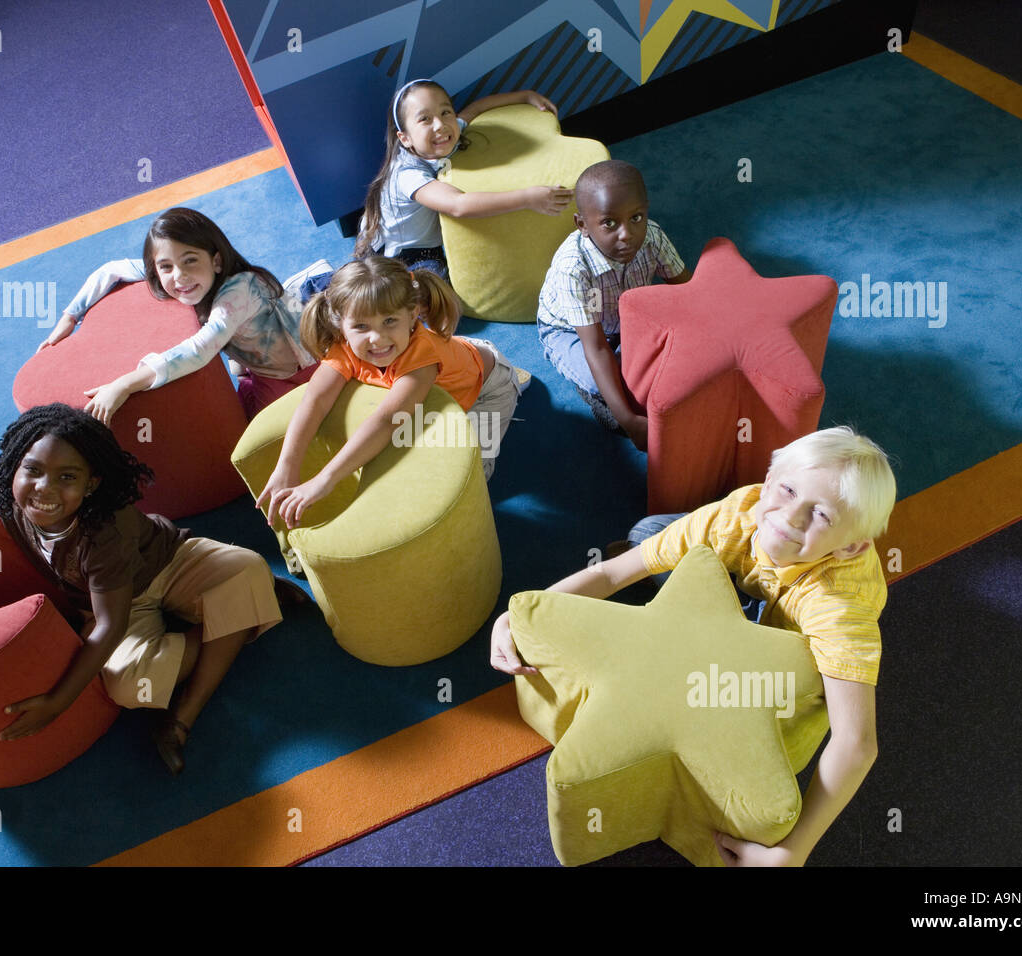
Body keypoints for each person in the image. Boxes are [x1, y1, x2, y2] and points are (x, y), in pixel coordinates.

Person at [490, 426, 896, 866]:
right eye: (787, 489)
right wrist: (524, 616)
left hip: (795, 627)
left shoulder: (839, 608)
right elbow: (612, 573)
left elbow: (856, 744)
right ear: (770, 474)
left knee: (795, 671)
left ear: (852, 546)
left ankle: (754, 619)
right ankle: (742, 586)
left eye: (822, 516)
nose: (790, 518)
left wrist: (794, 851)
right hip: (741, 566)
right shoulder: (739, 515)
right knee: (647, 532)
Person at [0, 403, 301, 775]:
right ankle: (242, 612)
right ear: (15, 466)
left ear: (92, 484)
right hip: (114, 602)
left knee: (247, 568)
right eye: (32, 470)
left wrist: (57, 701)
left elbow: (110, 626)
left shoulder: (103, 532)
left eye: (67, 477)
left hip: (165, 563)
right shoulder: (12, 506)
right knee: (131, 684)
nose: (44, 488)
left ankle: (181, 718)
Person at [257, 256, 522, 529]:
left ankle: (514, 378)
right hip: (450, 363)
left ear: (413, 314)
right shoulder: (345, 348)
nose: (377, 338)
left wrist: (324, 480)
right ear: (341, 325)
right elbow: (315, 400)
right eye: (361, 326)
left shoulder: (423, 357)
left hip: (487, 389)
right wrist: (286, 467)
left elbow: (388, 420)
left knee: (470, 472)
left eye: (389, 321)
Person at [36, 206, 321, 421]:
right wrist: (70, 317)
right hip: (262, 365)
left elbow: (199, 350)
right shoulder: (176, 275)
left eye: (190, 261)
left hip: (301, 369)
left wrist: (123, 385)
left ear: (217, 260)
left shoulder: (239, 290)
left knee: (268, 430)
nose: (179, 276)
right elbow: (111, 270)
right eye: (166, 267)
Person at [536, 159, 691, 449]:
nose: (627, 234)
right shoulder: (572, 268)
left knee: (664, 364)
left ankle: (619, 384)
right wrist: (629, 421)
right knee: (606, 382)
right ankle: (601, 401)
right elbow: (594, 347)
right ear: (582, 224)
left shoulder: (653, 237)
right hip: (570, 332)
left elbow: (689, 294)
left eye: (637, 217)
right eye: (609, 223)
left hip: (628, 320)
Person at [351, 79, 573, 279]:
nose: (440, 124)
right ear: (405, 138)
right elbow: (458, 204)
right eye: (425, 119)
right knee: (433, 300)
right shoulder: (407, 175)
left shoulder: (447, 132)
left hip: (420, 244)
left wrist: (526, 95)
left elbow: (476, 108)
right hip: (401, 255)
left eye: (445, 112)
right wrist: (528, 198)